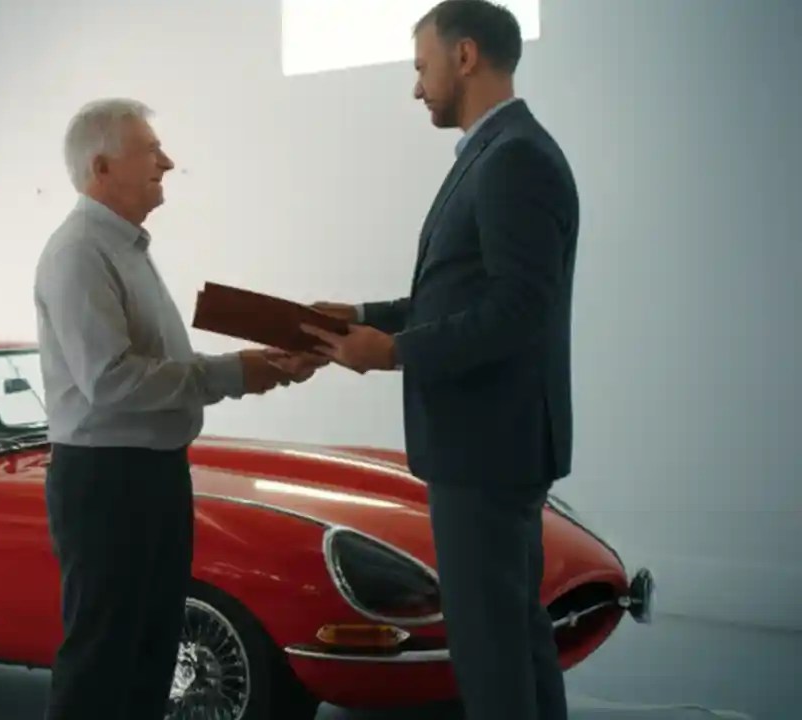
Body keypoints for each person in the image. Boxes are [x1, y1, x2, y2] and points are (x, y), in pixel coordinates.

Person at [302, 2, 579, 719]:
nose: (416, 86)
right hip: (493, 444)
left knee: (491, 652)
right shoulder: (504, 152)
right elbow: (457, 295)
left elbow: (520, 311)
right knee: (514, 639)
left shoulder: (513, 158)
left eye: (421, 66)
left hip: (485, 448)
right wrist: (360, 318)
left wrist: (393, 352)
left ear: (464, 57)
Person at [33, 98, 323, 720]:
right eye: (150, 149)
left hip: (148, 475)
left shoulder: (123, 247)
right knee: (104, 663)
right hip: (108, 482)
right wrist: (237, 373)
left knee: (150, 656)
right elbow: (110, 383)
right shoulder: (80, 252)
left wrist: (254, 367)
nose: (168, 161)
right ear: (102, 167)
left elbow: (146, 368)